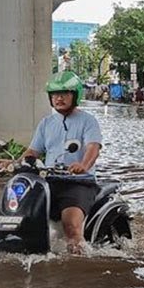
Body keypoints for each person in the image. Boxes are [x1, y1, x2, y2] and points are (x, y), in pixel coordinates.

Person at [22, 71, 103, 255]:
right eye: (54, 94)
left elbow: (93, 147)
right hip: (47, 182)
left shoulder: (88, 121)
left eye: (64, 94)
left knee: (71, 227)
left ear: (75, 95)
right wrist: (12, 164)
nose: (58, 98)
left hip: (77, 183)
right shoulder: (46, 123)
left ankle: (77, 269)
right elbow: (33, 151)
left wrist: (83, 165)